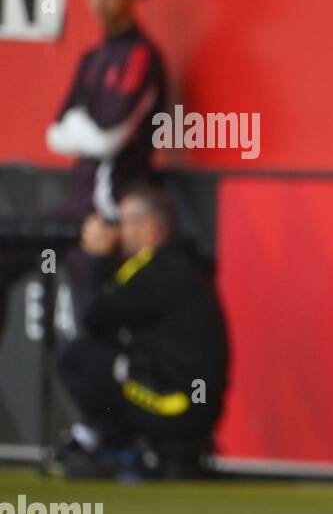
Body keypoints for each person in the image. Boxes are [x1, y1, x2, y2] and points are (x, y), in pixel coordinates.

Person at [0, 0, 166, 343]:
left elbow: (107, 138)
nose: (99, 2)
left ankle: (108, 393)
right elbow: (56, 132)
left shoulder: (142, 55)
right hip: (76, 206)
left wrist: (83, 130)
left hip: (111, 212)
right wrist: (82, 132)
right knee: (7, 253)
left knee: (90, 314)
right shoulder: (92, 58)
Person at [53, 184, 230, 480]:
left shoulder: (161, 271)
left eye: (122, 222)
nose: (117, 231)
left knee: (80, 359)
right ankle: (116, 442)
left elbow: (94, 318)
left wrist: (96, 257)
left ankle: (115, 446)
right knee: (103, 359)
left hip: (177, 406)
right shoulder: (180, 266)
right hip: (196, 407)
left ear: (149, 227)